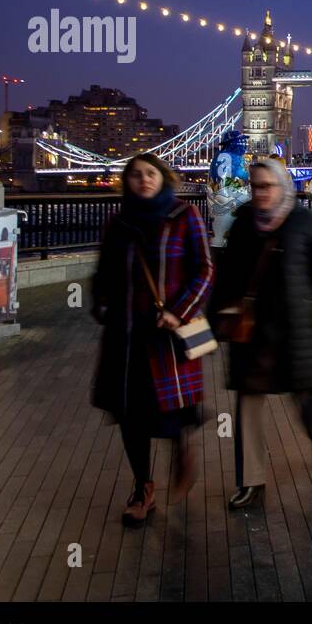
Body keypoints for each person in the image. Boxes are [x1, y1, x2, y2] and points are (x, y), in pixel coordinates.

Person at [210, 160, 312, 508]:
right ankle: (251, 481)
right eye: (255, 186)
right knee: (248, 402)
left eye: (266, 186)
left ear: (282, 185)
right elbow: (226, 278)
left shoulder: (303, 222)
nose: (259, 193)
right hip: (252, 332)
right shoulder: (244, 222)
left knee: (304, 396)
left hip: (295, 329)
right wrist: (212, 323)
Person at [91, 153, 214, 527]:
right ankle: (142, 488)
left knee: (171, 408)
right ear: (126, 182)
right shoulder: (119, 223)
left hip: (168, 333)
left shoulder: (184, 217)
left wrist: (179, 310)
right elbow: (104, 272)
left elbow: (205, 270)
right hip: (127, 334)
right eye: (136, 175)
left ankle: (182, 450)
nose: (143, 180)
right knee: (130, 413)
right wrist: (100, 303)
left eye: (150, 173)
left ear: (164, 178)